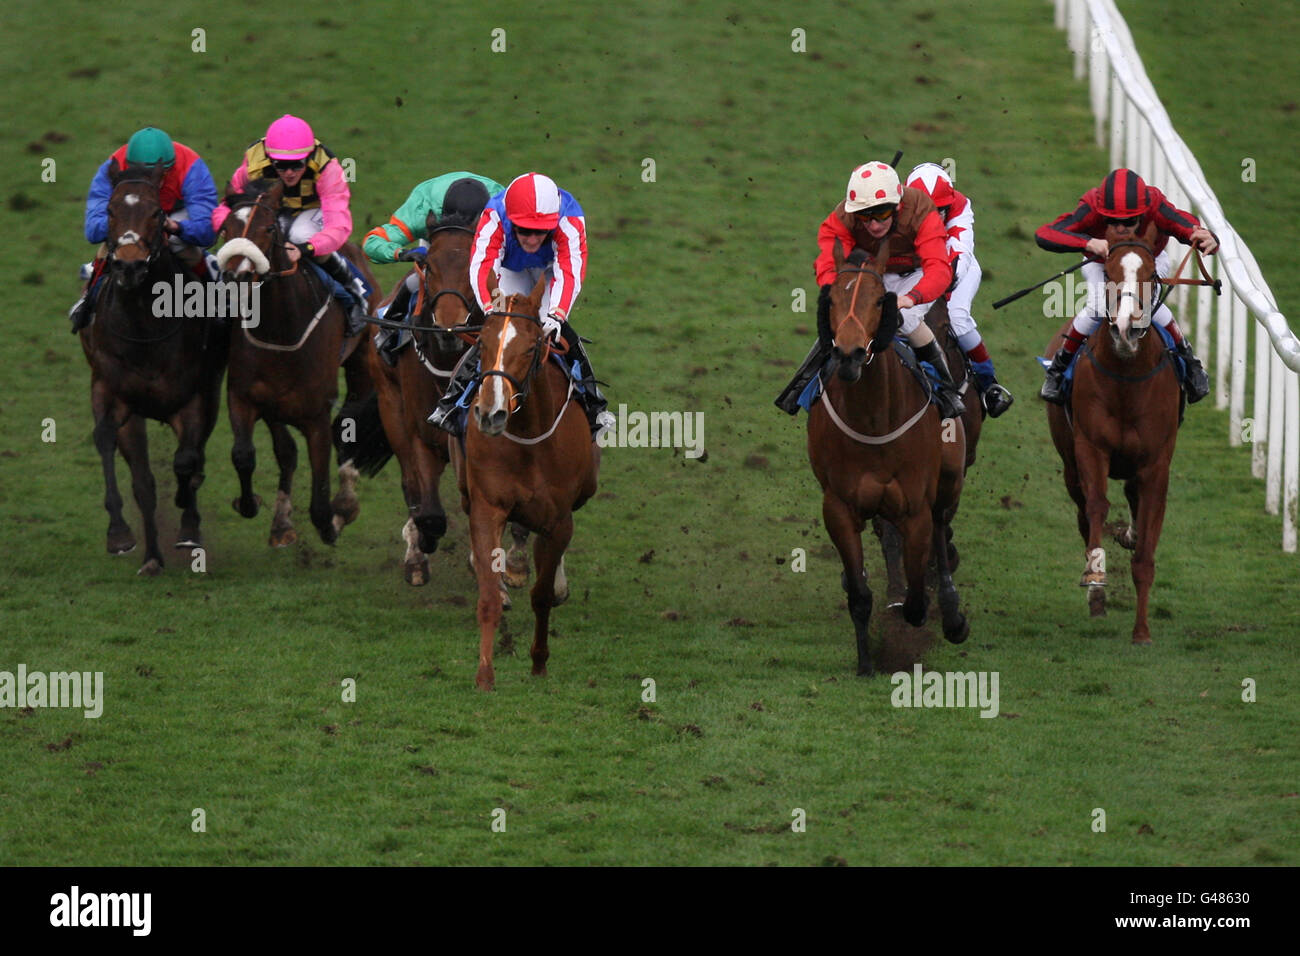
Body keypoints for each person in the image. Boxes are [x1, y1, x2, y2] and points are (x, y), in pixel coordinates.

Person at [776, 161, 965, 420]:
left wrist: (912, 298)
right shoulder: (843, 215)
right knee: (843, 319)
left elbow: (938, 268)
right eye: (865, 217)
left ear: (897, 205)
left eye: (883, 216)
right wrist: (834, 289)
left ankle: (947, 390)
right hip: (875, 271)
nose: (874, 226)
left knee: (906, 319)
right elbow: (829, 259)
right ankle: (799, 386)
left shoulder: (921, 209)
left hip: (916, 272)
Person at [427, 172, 612, 437]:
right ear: (510, 219)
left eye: (541, 232)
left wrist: (557, 316)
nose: (533, 239)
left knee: (559, 330)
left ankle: (595, 404)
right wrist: (493, 312)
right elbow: (482, 266)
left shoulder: (570, 219)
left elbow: (569, 272)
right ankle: (453, 401)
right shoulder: (494, 215)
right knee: (499, 332)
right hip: (511, 269)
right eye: (524, 230)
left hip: (550, 270)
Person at [1036, 168, 1216, 404]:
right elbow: (1046, 234)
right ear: (1102, 213)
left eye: (1129, 221)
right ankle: (1059, 368)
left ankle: (1191, 363)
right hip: (1102, 263)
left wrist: (1208, 238)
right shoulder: (1091, 206)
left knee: (1145, 305)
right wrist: (1087, 242)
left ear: (1142, 213)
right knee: (1099, 306)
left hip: (1146, 260)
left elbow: (1186, 226)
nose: (1120, 228)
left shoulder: (1154, 204)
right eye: (1112, 221)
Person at [211, 114, 369, 334]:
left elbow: (339, 225)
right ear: (270, 158)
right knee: (253, 235)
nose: (289, 172)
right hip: (274, 211)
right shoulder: (254, 161)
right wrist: (228, 228)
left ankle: (353, 292)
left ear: (308, 157)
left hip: (314, 211)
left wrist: (306, 248)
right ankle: (225, 301)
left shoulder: (327, 167)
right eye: (281, 166)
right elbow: (228, 205)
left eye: (296, 165)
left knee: (299, 233)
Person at [69, 127, 218, 331]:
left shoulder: (191, 166)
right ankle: (87, 302)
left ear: (170, 167)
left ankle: (217, 303)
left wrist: (175, 226)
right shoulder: (112, 167)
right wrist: (127, 222)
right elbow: (93, 229)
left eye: (161, 175)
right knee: (108, 250)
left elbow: (208, 230)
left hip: (175, 216)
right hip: (129, 216)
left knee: (181, 246)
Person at [362, 172, 505, 366]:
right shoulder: (423, 207)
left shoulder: (502, 206)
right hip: (440, 242)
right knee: (416, 280)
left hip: (484, 244)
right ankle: (390, 330)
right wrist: (401, 253)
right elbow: (371, 243)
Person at [905, 162, 1013, 417]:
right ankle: (809, 381)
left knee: (955, 317)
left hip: (955, 269)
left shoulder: (961, 206)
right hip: (914, 268)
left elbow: (959, 257)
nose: (933, 218)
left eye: (940, 211)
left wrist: (933, 294)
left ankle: (989, 385)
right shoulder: (898, 204)